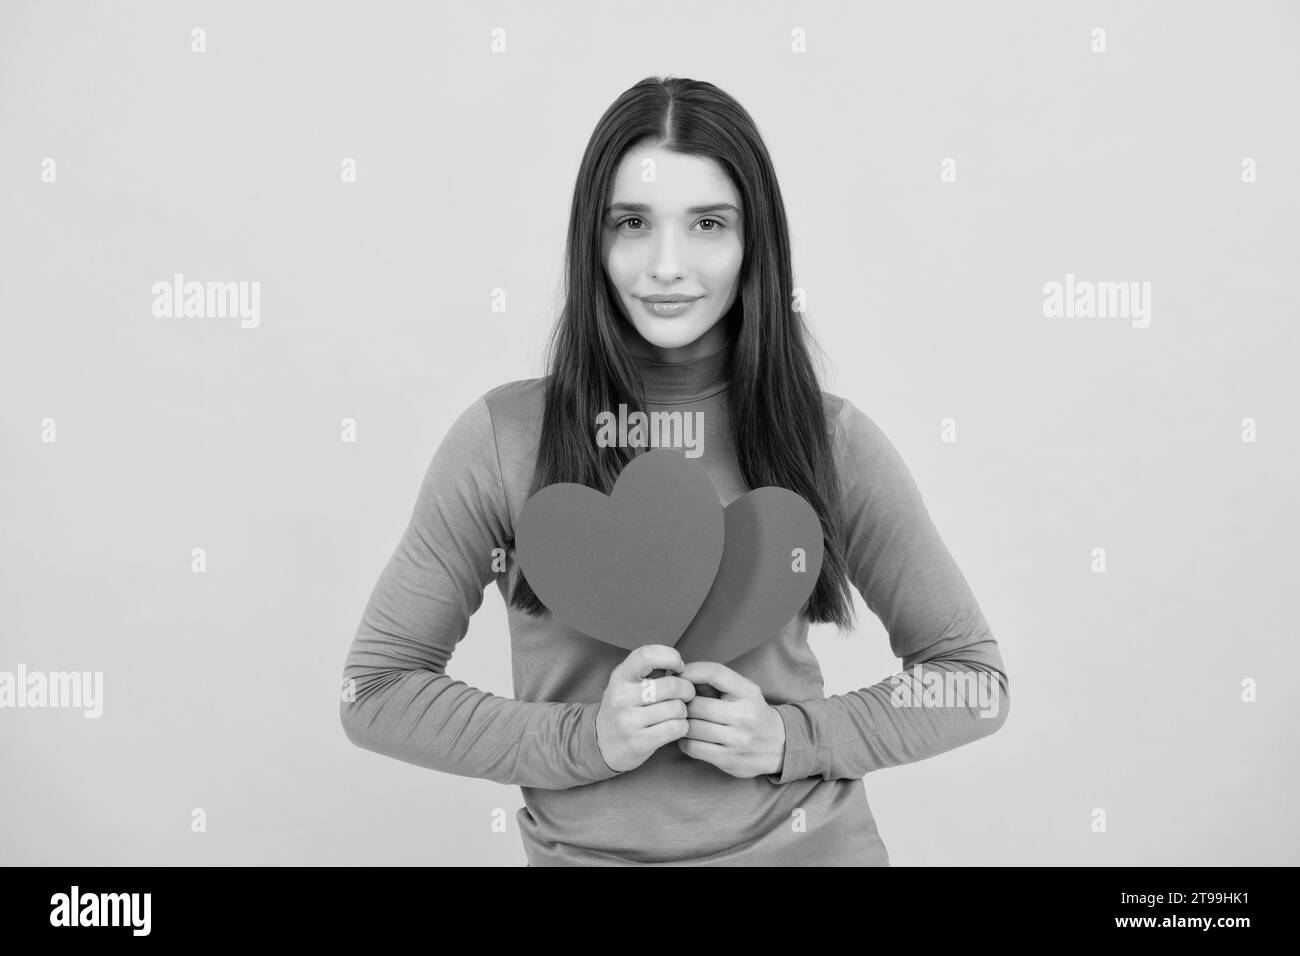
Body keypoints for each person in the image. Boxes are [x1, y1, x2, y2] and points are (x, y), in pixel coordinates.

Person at [339, 75, 1010, 866]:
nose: (667, 265)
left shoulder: (830, 439)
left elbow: (972, 681)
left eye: (707, 224)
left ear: (753, 242)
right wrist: (585, 738)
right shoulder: (504, 439)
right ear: (594, 241)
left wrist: (790, 738)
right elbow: (375, 692)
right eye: (632, 223)